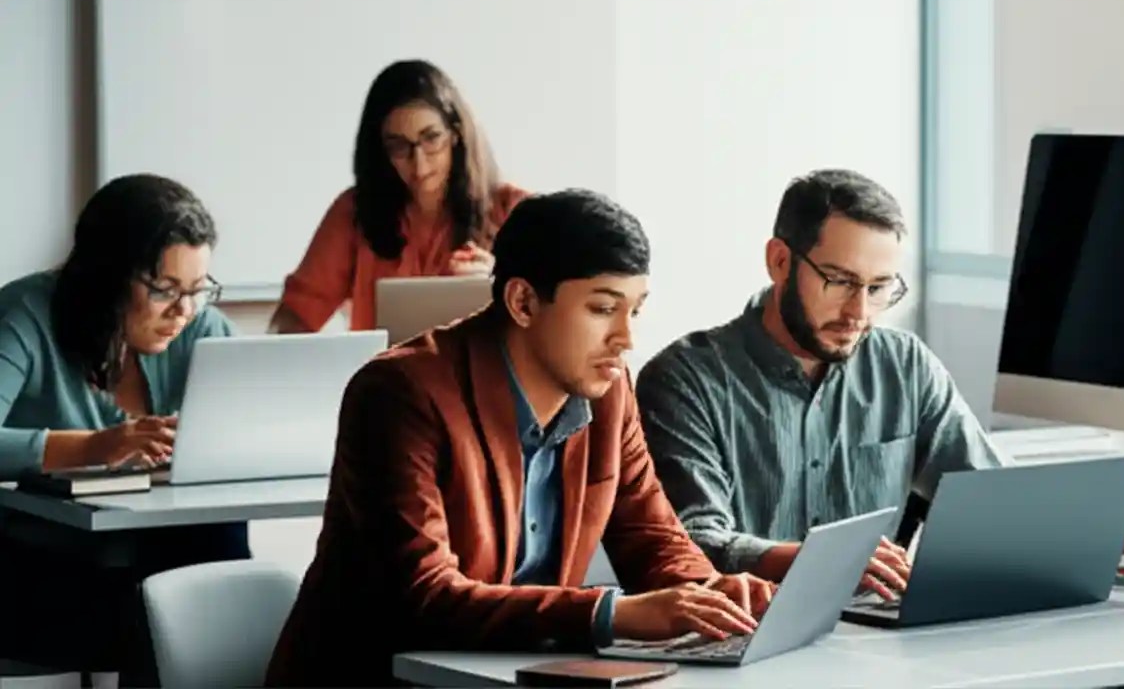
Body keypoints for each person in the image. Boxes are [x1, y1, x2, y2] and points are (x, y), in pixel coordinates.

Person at [265, 189, 774, 687]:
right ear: (524, 301)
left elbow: (653, 536)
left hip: (516, 672)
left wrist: (712, 594)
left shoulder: (608, 391)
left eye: (634, 311)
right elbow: (424, 596)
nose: (626, 338)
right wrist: (614, 614)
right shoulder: (398, 393)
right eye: (602, 309)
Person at [635, 168, 1003, 598]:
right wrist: (816, 559)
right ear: (779, 261)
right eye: (840, 281)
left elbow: (991, 503)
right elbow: (688, 544)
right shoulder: (685, 381)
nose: (859, 312)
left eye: (879, 287)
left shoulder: (905, 366)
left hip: (877, 637)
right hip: (746, 632)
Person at [0, 173, 250, 678]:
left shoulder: (202, 325)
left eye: (198, 291)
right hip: (42, 561)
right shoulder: (25, 315)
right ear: (107, 278)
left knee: (222, 572)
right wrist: (90, 446)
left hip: (162, 552)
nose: (183, 311)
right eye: (164, 290)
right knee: (163, 618)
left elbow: (251, 422)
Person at [269, 59, 527, 333]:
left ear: (456, 134)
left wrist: (497, 289)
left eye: (431, 138)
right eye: (399, 146)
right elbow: (297, 315)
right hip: (383, 373)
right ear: (380, 150)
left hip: (483, 375)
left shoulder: (514, 211)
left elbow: (555, 327)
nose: (419, 163)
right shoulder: (354, 212)